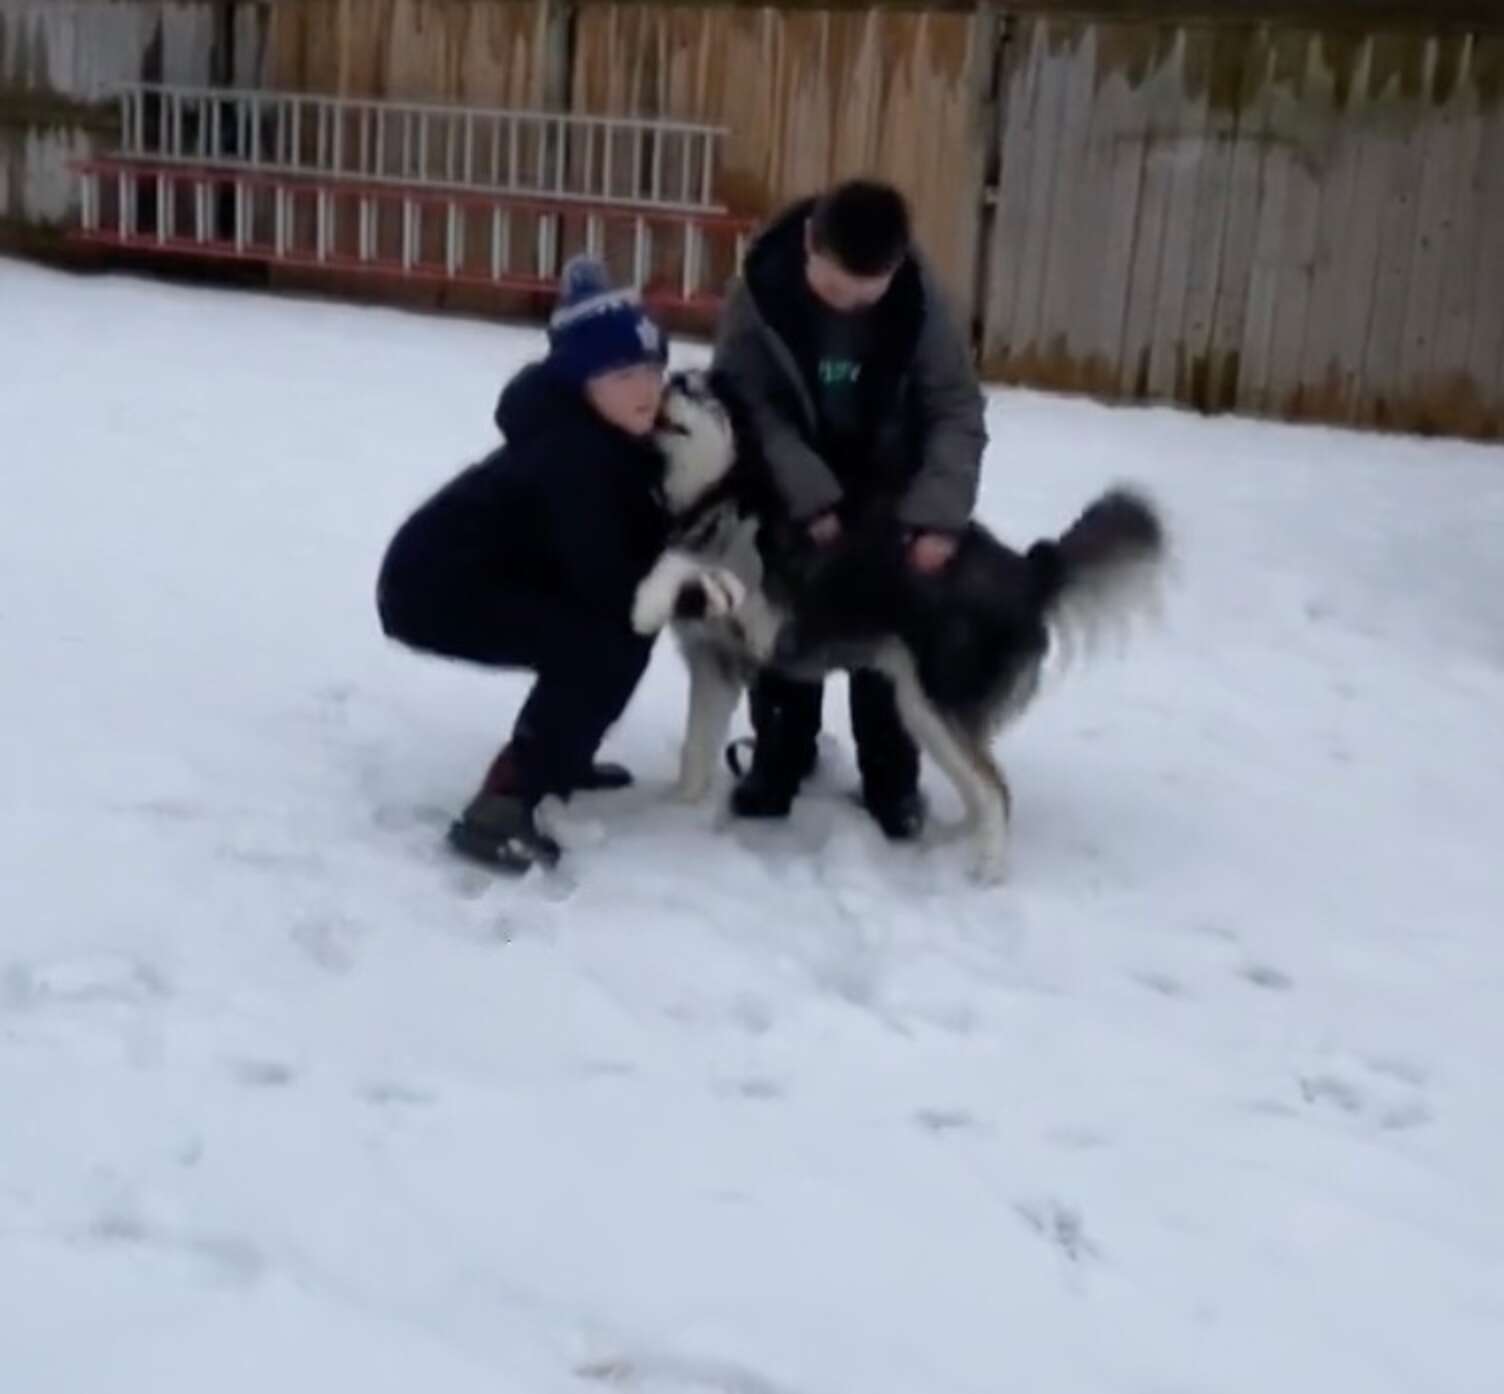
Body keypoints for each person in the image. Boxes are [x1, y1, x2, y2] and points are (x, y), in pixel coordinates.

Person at [711, 178, 988, 839]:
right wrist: (810, 498)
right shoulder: (760, 294)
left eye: (868, 294)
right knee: (784, 621)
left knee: (888, 631)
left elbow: (955, 409)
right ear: (810, 244)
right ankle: (780, 754)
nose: (851, 304)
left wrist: (937, 517)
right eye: (836, 290)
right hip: (790, 480)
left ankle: (891, 777)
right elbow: (746, 405)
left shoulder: (921, 301)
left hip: (891, 485)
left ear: (895, 268)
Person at [376, 256, 672, 872]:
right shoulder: (574, 456)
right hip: (432, 587)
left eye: (653, 368)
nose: (647, 387)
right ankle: (503, 806)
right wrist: (677, 576)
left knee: (622, 630)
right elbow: (603, 577)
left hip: (494, 573)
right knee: (602, 639)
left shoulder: (606, 438)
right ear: (580, 381)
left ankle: (560, 757)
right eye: (623, 373)